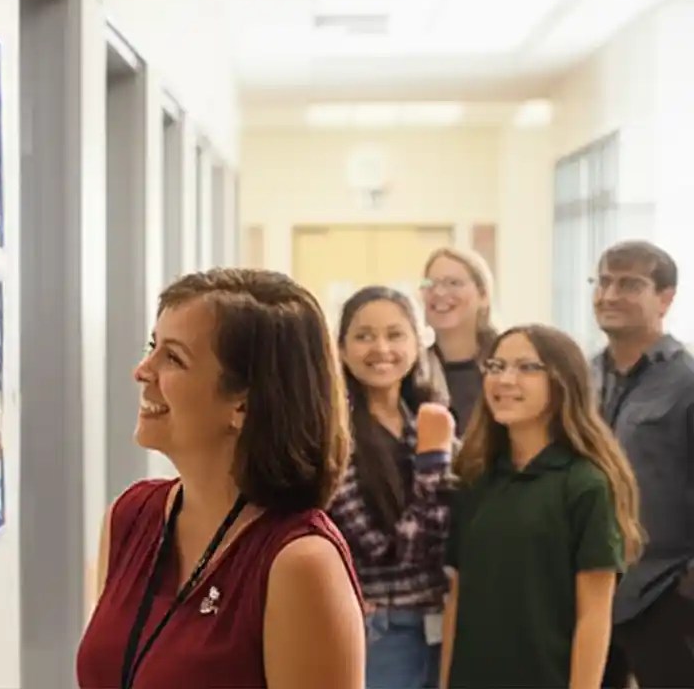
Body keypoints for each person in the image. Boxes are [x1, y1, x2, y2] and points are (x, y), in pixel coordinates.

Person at [76, 268, 365, 689]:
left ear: (244, 405)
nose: (142, 370)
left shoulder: (301, 564)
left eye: (173, 358)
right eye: (152, 347)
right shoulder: (130, 516)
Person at [439, 325, 643, 689]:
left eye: (526, 367)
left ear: (563, 382)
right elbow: (458, 598)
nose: (505, 379)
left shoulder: (585, 484)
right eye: (496, 366)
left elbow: (594, 615)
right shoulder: (477, 480)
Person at [328, 286, 455, 688]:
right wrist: (434, 461)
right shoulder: (334, 436)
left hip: (444, 624)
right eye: (363, 336)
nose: (380, 348)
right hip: (380, 628)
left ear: (418, 342)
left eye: (395, 334)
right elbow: (390, 553)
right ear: (342, 349)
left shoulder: (428, 421)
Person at [590, 241, 694, 688]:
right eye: (603, 281)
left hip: (665, 594)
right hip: (592, 589)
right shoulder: (582, 376)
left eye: (629, 283)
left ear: (666, 297)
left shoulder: (686, 382)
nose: (610, 294)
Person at [421, 248, 499, 433]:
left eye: (453, 283)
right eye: (430, 284)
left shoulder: (506, 367)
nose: (439, 292)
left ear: (483, 295)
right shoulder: (413, 371)